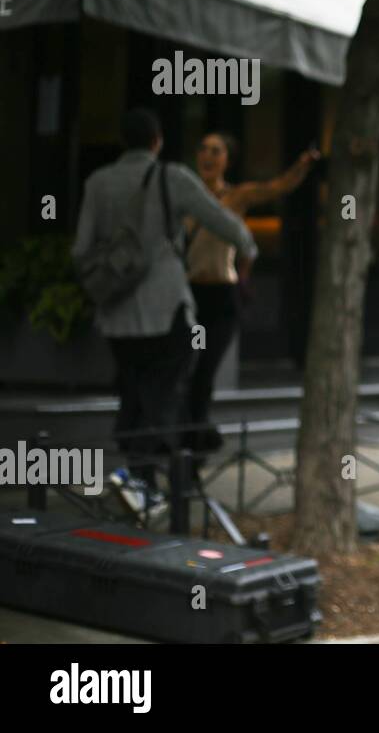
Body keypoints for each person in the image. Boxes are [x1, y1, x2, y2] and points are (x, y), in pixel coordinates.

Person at [72, 108, 258, 516]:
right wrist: (248, 250)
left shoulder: (98, 183)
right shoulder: (171, 177)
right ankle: (159, 484)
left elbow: (80, 251)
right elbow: (226, 224)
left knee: (135, 390)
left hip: (117, 314)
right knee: (167, 392)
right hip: (166, 310)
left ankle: (142, 482)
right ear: (157, 141)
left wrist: (106, 281)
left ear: (125, 141)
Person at [186, 132, 318, 458]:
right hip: (188, 296)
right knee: (186, 373)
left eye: (216, 151)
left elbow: (278, 187)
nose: (208, 156)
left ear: (227, 160)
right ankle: (192, 440)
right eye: (203, 148)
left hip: (221, 297)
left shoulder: (237, 196)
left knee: (204, 371)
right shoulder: (184, 195)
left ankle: (194, 445)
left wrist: (302, 166)